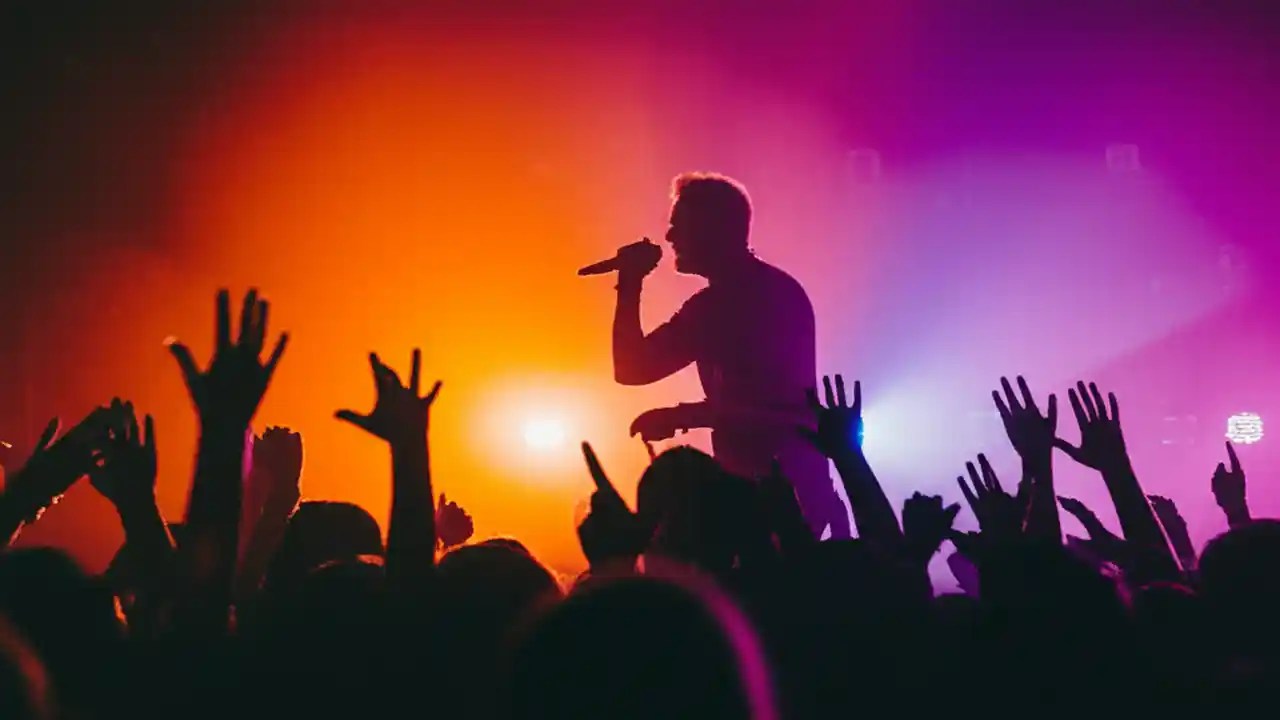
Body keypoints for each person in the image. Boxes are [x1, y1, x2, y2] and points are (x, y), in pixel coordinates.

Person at [597, 172, 848, 538]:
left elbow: (633, 368)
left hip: (772, 499)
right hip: (793, 489)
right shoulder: (772, 288)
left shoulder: (725, 303)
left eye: (678, 225)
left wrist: (630, 281)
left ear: (714, 228)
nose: (669, 237)